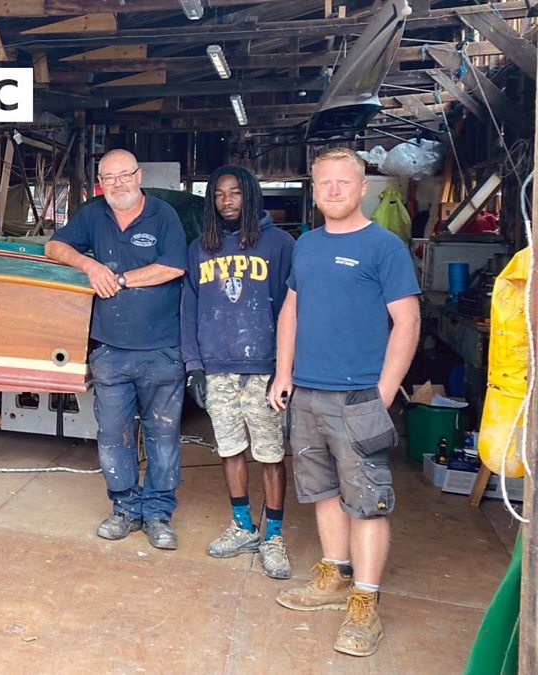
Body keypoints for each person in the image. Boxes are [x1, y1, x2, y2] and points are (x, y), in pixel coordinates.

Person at [268, 147, 420, 657]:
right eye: (324, 183)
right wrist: (283, 374)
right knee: (323, 492)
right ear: (314, 190)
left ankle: (366, 602)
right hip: (307, 393)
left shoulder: (385, 248)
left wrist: (381, 392)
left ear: (362, 189)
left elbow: (408, 323)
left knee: (367, 501)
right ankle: (334, 576)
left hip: (358, 395)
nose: (333, 191)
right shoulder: (305, 246)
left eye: (342, 183)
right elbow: (290, 311)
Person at [45, 149, 188, 550]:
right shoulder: (94, 215)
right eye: (109, 178)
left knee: (162, 435)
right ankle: (125, 507)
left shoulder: (163, 216)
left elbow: (174, 266)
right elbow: (53, 248)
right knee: (112, 435)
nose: (118, 184)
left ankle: (158, 513)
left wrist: (121, 280)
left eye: (124, 175)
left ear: (139, 176)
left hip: (162, 350)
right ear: (100, 182)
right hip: (110, 351)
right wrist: (90, 266)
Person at [181, 165, 295, 579]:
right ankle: (243, 526)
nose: (227, 201)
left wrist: (287, 368)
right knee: (229, 449)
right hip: (217, 368)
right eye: (218, 194)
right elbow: (188, 309)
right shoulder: (200, 248)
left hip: (264, 369)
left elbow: (292, 309)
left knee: (270, 454)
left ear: (250, 196)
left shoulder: (280, 244)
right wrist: (194, 365)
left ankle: (274, 535)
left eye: (234, 193)